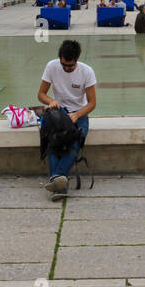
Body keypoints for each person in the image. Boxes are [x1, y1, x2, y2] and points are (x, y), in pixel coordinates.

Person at [35, 39, 97, 201]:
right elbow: (41, 94)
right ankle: (60, 183)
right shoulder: (52, 66)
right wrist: (51, 101)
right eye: (64, 65)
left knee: (75, 140)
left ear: (77, 59)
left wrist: (77, 115)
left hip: (79, 112)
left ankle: (56, 180)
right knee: (54, 143)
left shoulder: (87, 72)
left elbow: (92, 103)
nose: (67, 68)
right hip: (59, 113)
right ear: (60, 59)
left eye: (71, 66)